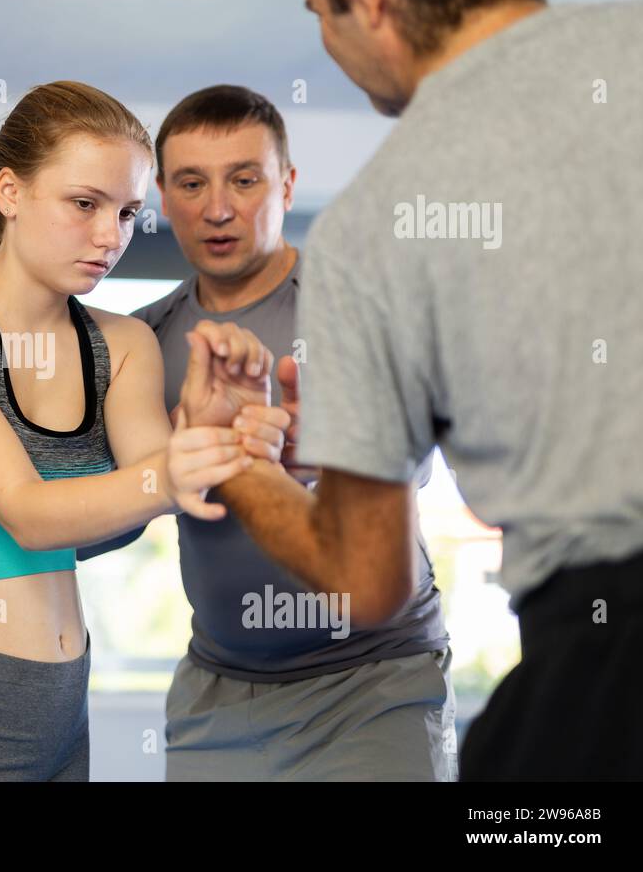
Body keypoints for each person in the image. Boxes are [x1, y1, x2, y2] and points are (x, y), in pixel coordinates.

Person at [169, 0, 643, 780]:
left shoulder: (375, 225)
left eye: (320, 12)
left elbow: (369, 581)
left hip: (609, 662)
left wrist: (240, 458)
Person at [0, 80, 292, 781]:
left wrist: (208, 434)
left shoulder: (122, 344)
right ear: (10, 191)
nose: (109, 237)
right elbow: (29, 513)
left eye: (126, 212)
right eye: (85, 203)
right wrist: (172, 470)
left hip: (64, 715)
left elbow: (152, 487)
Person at [84, 84, 455, 780]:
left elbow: (426, 464)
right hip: (220, 690)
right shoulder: (145, 340)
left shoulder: (356, 305)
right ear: (163, 195)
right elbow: (100, 528)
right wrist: (175, 456)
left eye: (244, 179)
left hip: (374, 680)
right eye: (192, 183)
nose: (218, 208)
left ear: (286, 183)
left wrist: (339, 444)